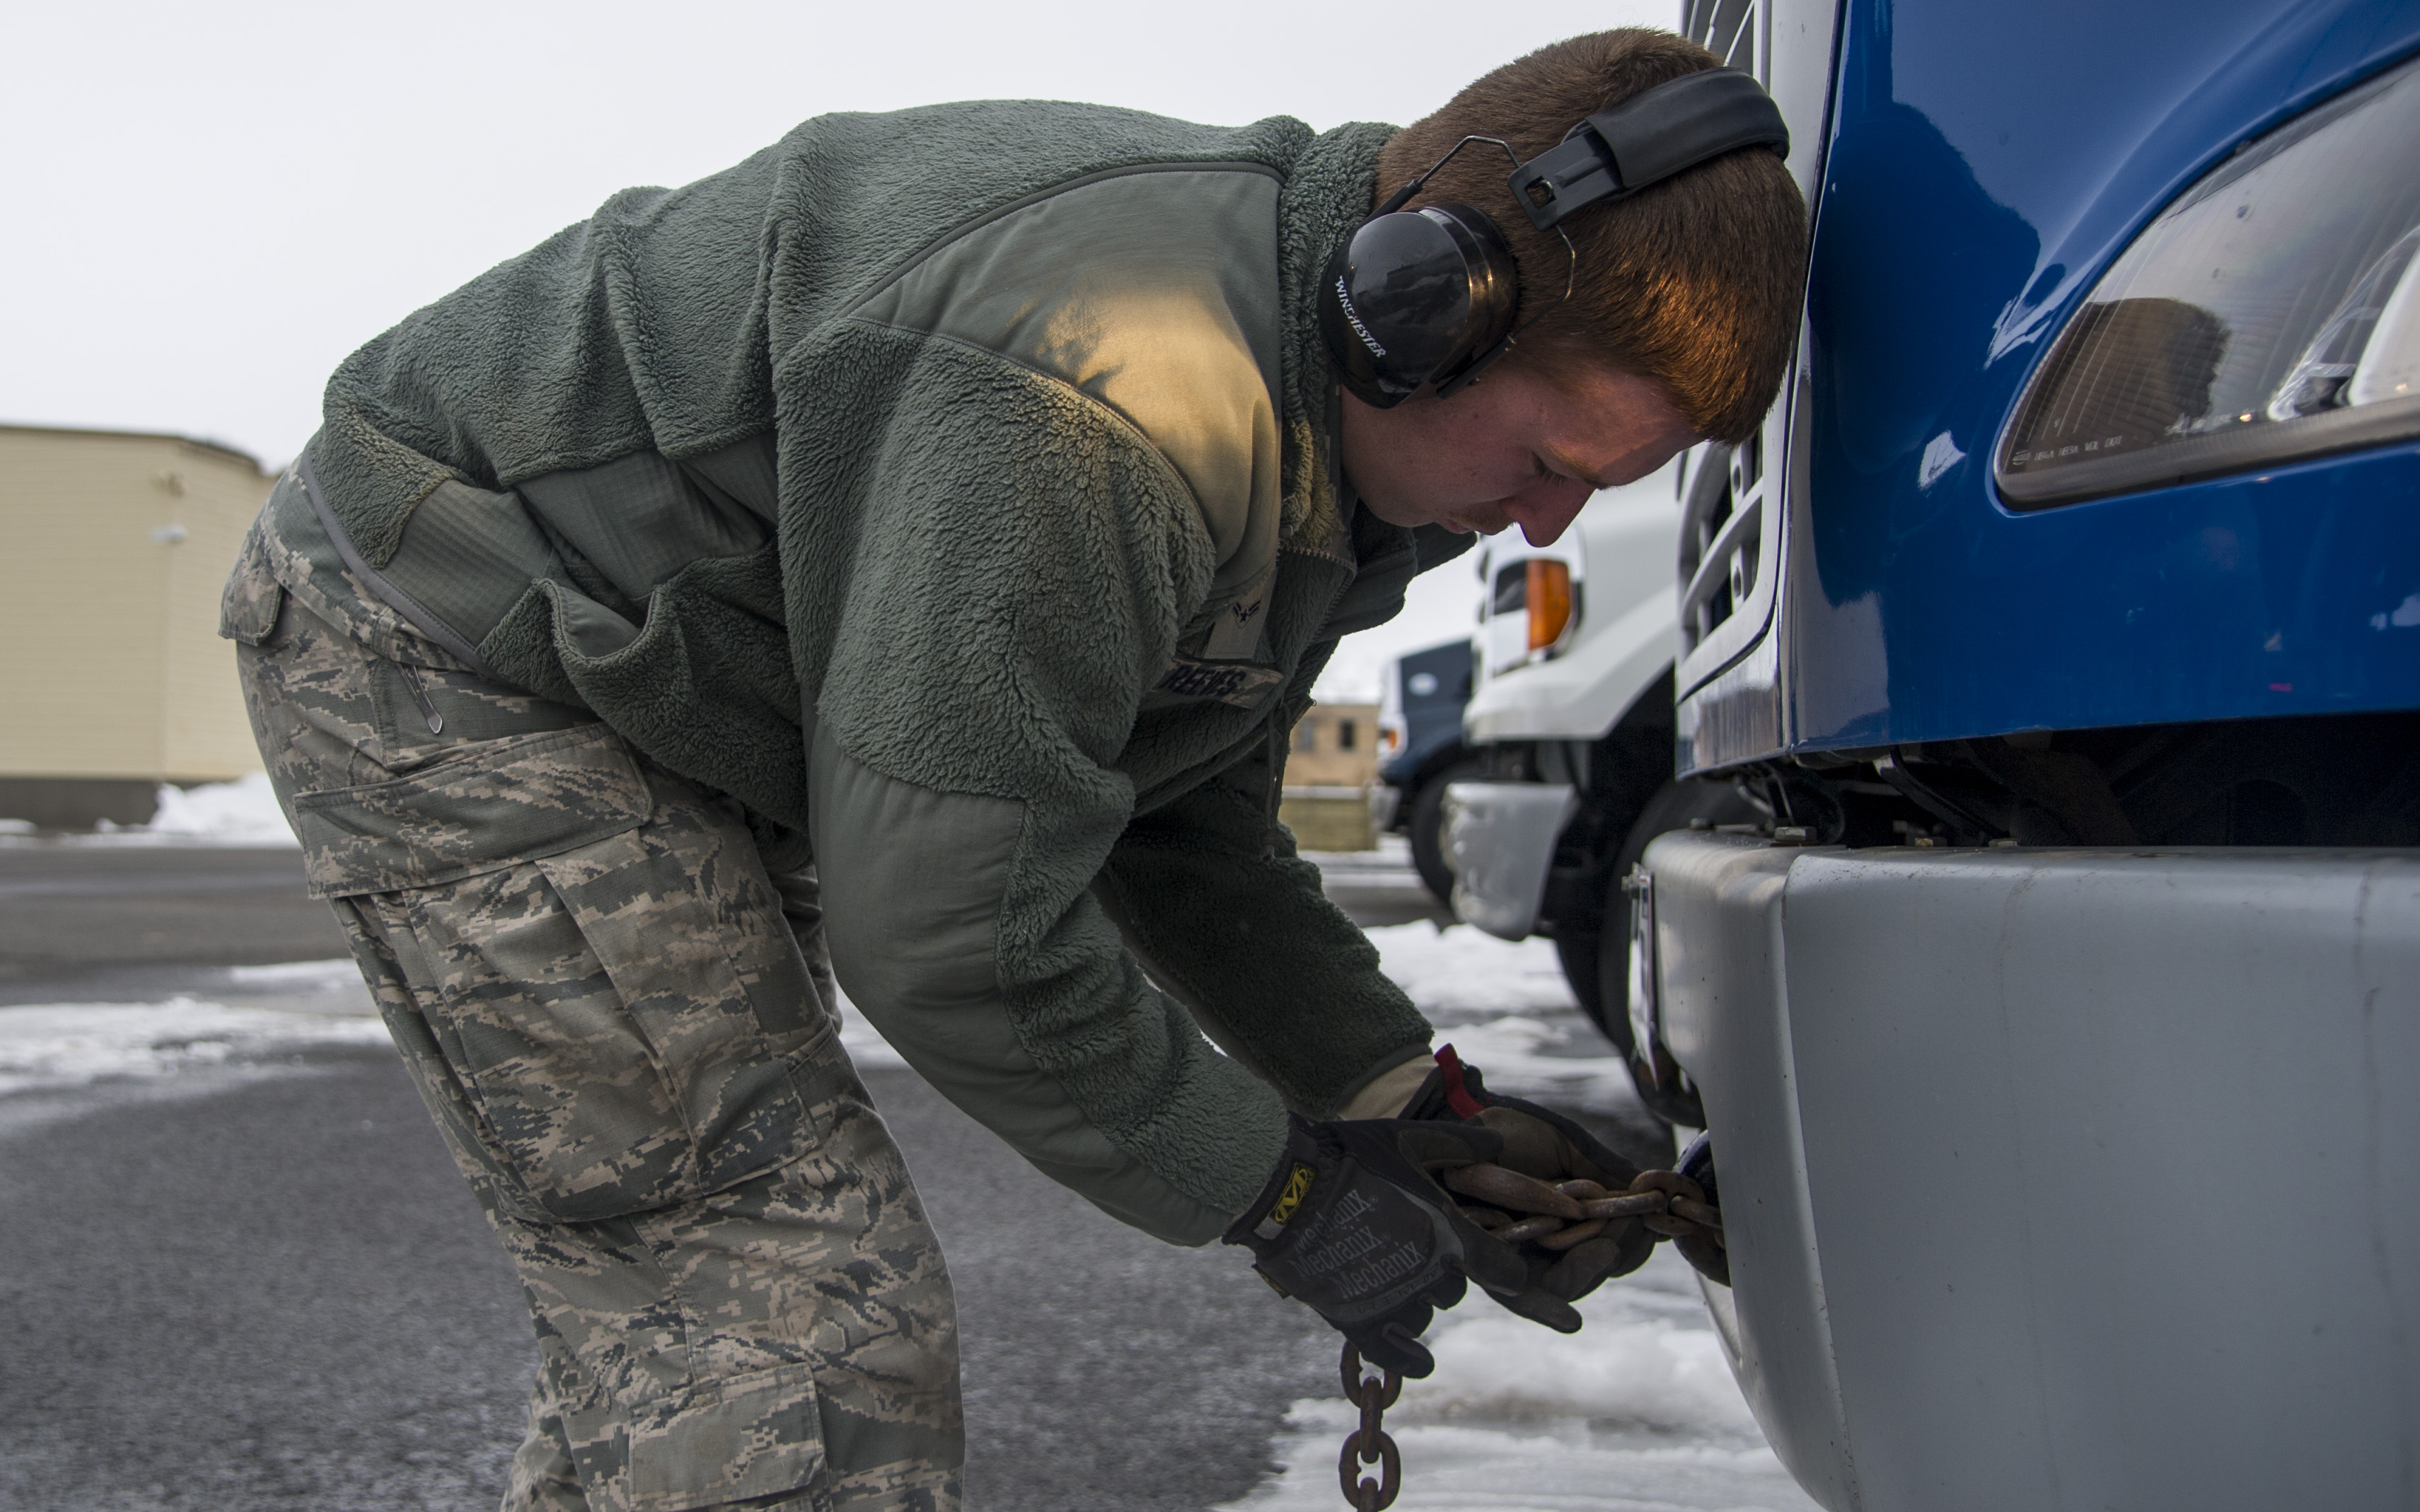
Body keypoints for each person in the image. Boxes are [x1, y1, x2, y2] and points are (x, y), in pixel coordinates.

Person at [221, 26, 1804, 1512]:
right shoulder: (1112, 388)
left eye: (1600, 489)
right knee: (795, 1331)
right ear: (1410, 313)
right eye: (1546, 463)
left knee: (696, 1344)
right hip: (465, 637)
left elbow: (1175, 819)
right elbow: (954, 927)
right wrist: (1286, 1195)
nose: (1546, 528)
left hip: (671, 685)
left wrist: (1401, 1103)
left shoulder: (1323, 466)